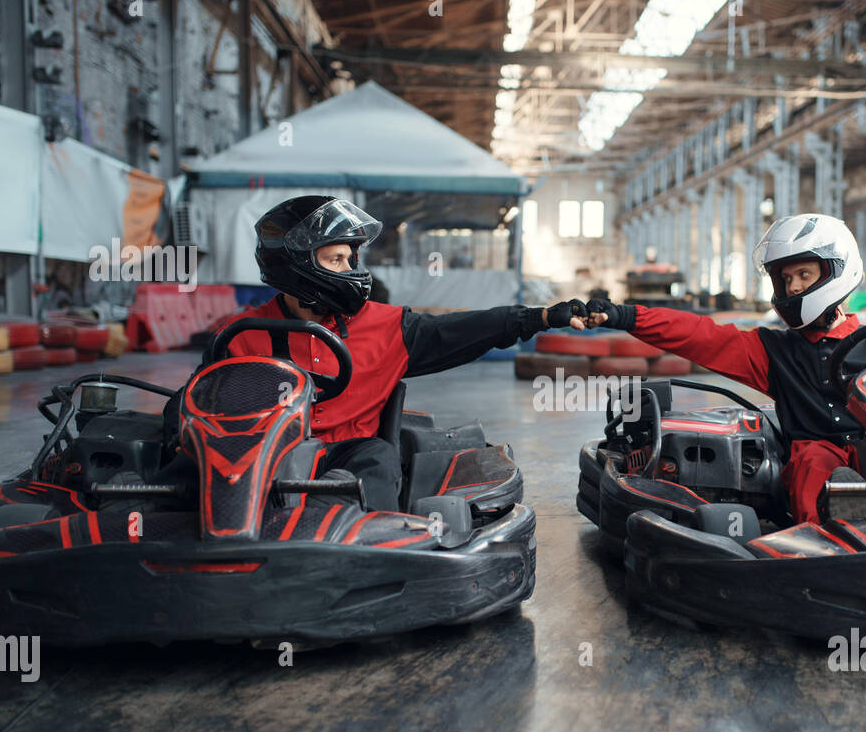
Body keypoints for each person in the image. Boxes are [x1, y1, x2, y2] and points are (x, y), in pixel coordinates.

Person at [583, 213, 866, 525]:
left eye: (803, 275)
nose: (792, 286)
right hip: (821, 450)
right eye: (785, 279)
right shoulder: (772, 350)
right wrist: (623, 316)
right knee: (812, 466)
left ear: (836, 272)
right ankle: (831, 530)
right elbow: (699, 334)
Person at [162, 195, 586, 509]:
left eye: (352, 259)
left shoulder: (387, 327)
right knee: (189, 464)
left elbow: (463, 329)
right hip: (261, 455)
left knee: (379, 458)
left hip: (348, 452)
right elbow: (198, 403)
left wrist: (541, 317)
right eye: (337, 260)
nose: (352, 272)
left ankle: (378, 542)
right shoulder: (241, 335)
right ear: (295, 267)